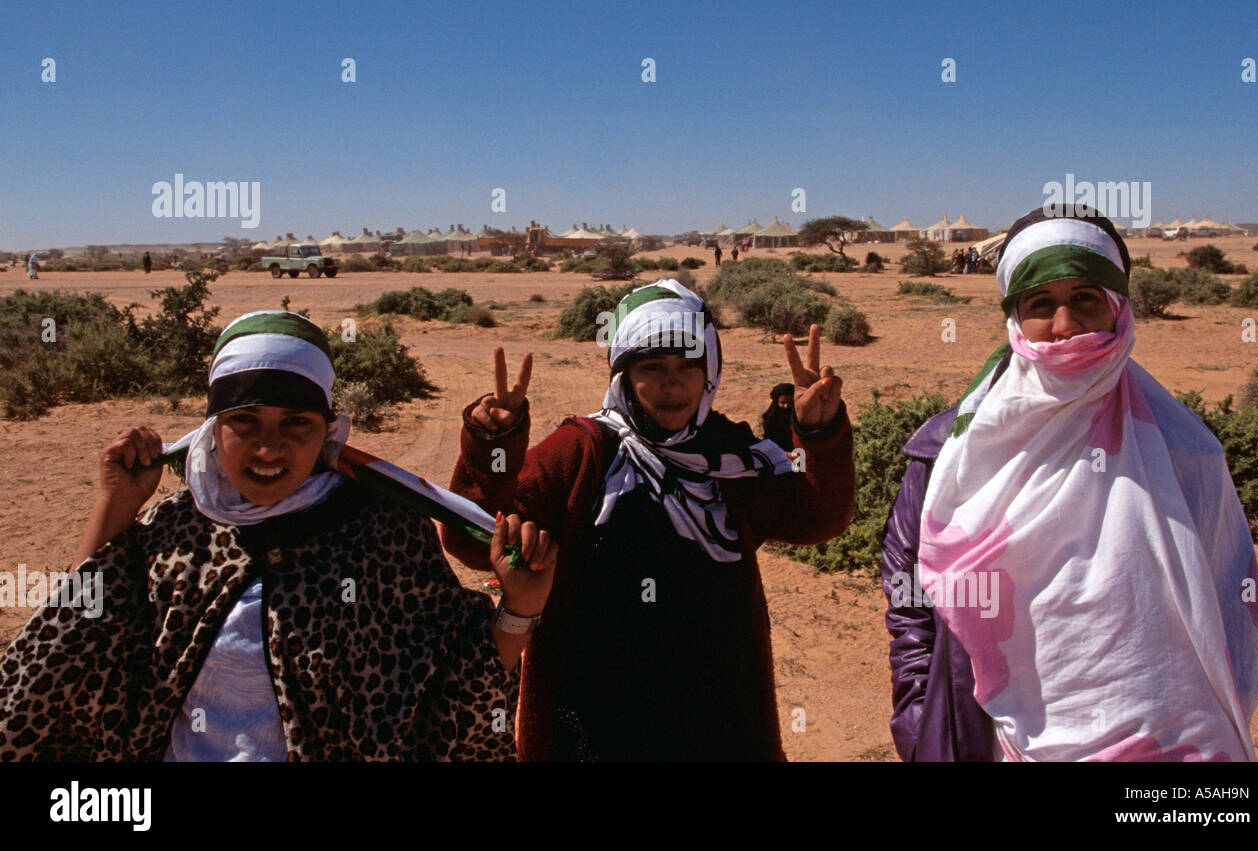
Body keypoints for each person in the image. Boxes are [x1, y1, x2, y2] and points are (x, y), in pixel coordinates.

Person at [0, 311, 557, 761]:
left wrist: (521, 608)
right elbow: (74, 641)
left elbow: (454, 681)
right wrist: (115, 502)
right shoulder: (178, 527)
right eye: (244, 421)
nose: (269, 449)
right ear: (212, 430)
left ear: (328, 431)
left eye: (297, 423)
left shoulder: (381, 532)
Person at [882, 207, 1258, 762]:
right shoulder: (953, 453)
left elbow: (1234, 616)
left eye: (1086, 298)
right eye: (1041, 304)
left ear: (1119, 308)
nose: (1065, 326)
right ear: (1014, 316)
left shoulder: (1187, 452)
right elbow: (909, 596)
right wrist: (923, 716)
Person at [442, 280, 855, 760]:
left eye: (688, 366)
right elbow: (473, 539)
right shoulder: (583, 451)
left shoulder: (730, 455)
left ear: (710, 370)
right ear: (622, 375)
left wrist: (817, 433)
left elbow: (816, 518)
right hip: (593, 719)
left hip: (719, 713)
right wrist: (495, 445)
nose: (673, 384)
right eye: (652, 367)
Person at [760, 382, 796, 451]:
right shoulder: (768, 418)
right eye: (782, 403)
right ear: (776, 402)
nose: (786, 406)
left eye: (790, 402)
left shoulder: (799, 416)